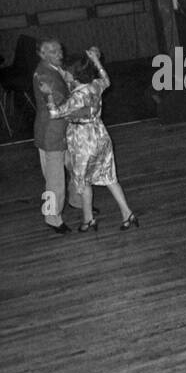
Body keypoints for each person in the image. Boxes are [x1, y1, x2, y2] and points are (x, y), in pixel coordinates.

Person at [46, 49, 137, 231]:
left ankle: (88, 219)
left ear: (73, 75)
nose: (64, 73)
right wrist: (96, 61)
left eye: (66, 71)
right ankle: (127, 213)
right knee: (110, 177)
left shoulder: (78, 96)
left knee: (83, 180)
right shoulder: (95, 85)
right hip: (100, 135)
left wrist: (48, 94)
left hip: (83, 141)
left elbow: (55, 113)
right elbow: (106, 79)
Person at [33, 37, 87, 233]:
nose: (59, 54)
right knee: (54, 181)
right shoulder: (44, 75)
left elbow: (68, 76)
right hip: (51, 134)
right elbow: (60, 104)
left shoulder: (54, 69)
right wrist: (86, 110)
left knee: (75, 168)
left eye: (59, 50)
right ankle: (52, 218)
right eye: (54, 51)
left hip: (63, 131)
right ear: (42, 54)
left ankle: (76, 200)